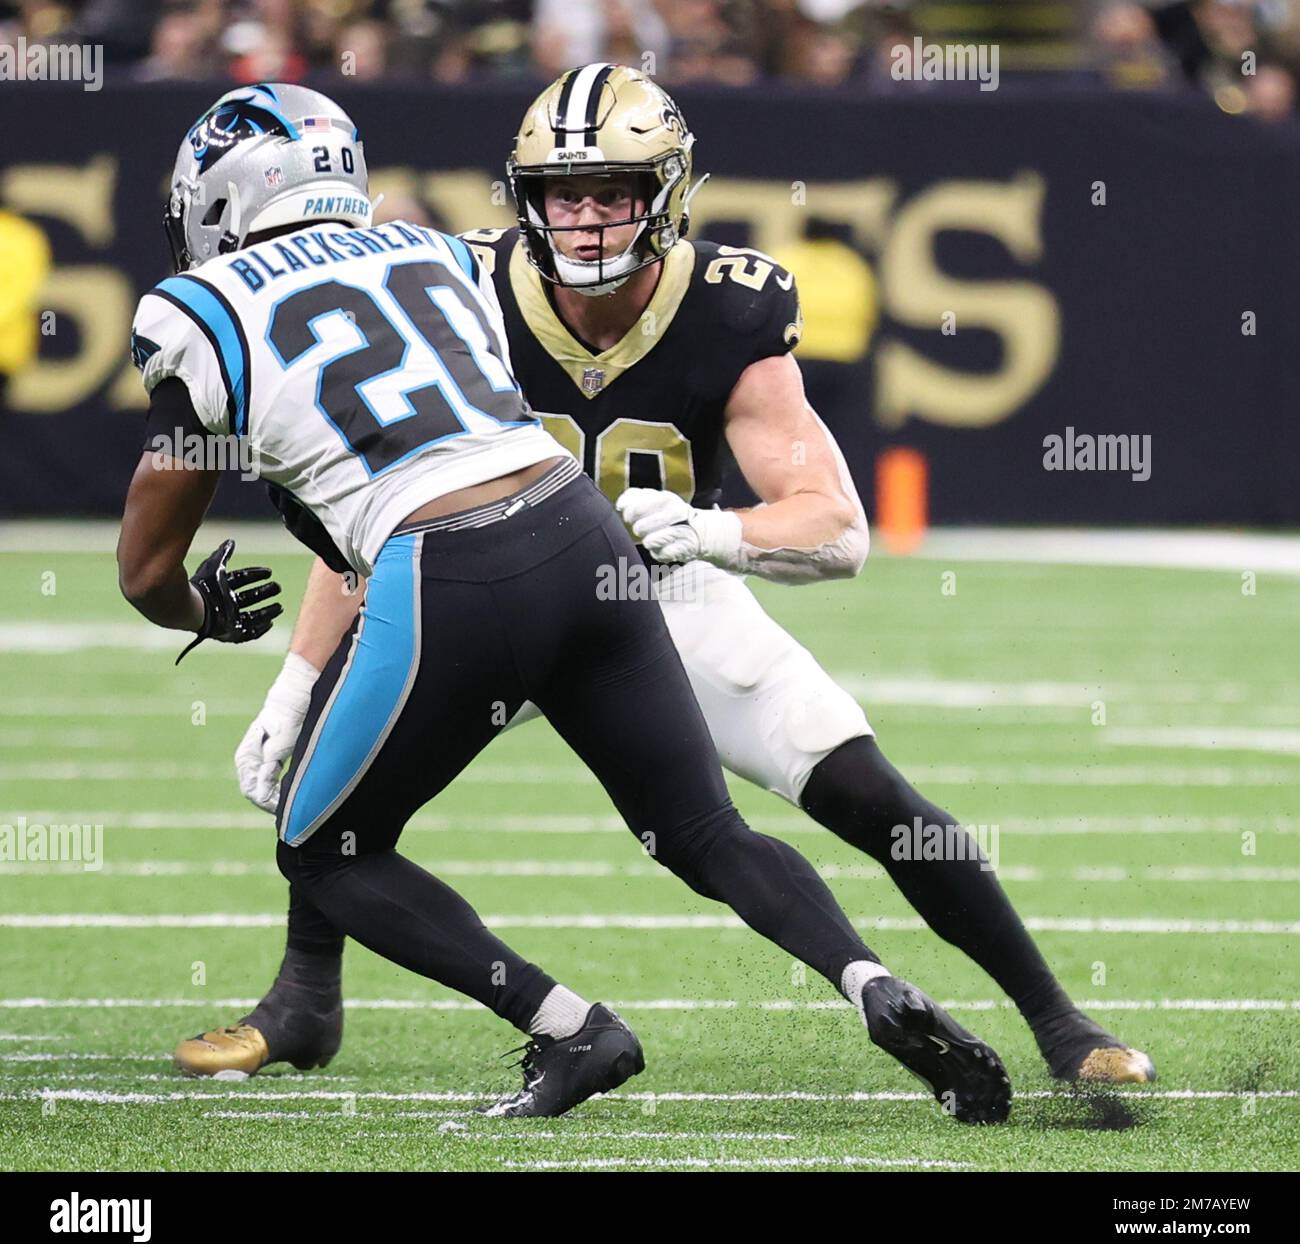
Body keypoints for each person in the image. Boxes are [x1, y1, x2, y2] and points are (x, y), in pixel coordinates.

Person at [218, 65, 1151, 1094]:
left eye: (609, 192)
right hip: (476, 583)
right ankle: (302, 999)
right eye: (560, 193)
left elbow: (835, 525)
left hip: (653, 597)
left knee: (865, 790)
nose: (580, 218)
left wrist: (716, 532)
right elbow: (370, 514)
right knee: (328, 769)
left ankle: (1059, 1018)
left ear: (665, 191)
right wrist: (297, 676)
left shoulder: (722, 307)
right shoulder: (463, 285)